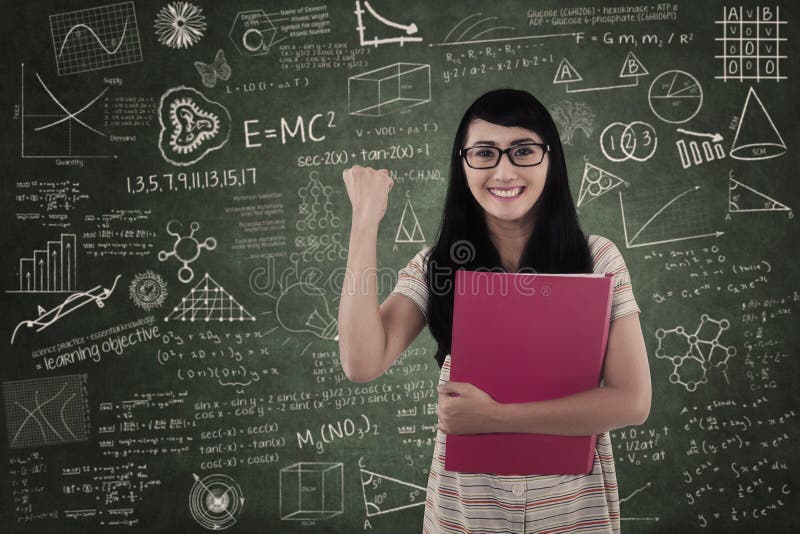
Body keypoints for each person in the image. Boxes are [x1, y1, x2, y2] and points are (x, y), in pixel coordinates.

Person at [338, 88, 651, 533]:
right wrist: (364, 221)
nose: (504, 171)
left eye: (523, 150)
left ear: (551, 159)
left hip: (572, 517)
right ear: (462, 163)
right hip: (464, 517)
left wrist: (498, 418)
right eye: (484, 153)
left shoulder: (597, 259)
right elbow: (361, 362)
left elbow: (632, 401)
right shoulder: (437, 266)